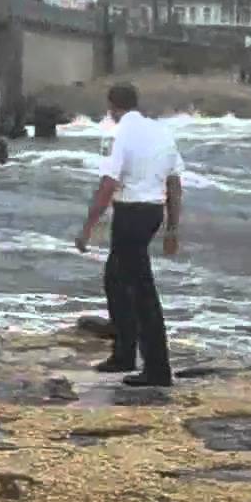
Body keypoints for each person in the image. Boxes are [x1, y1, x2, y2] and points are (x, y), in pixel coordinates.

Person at [75, 83, 183, 388]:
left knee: (141, 292)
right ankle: (123, 353)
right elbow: (174, 182)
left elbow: (108, 185)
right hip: (152, 213)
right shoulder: (161, 132)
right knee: (115, 276)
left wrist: (87, 228)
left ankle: (158, 369)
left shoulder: (122, 134)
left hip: (131, 215)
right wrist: (172, 228)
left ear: (112, 107)